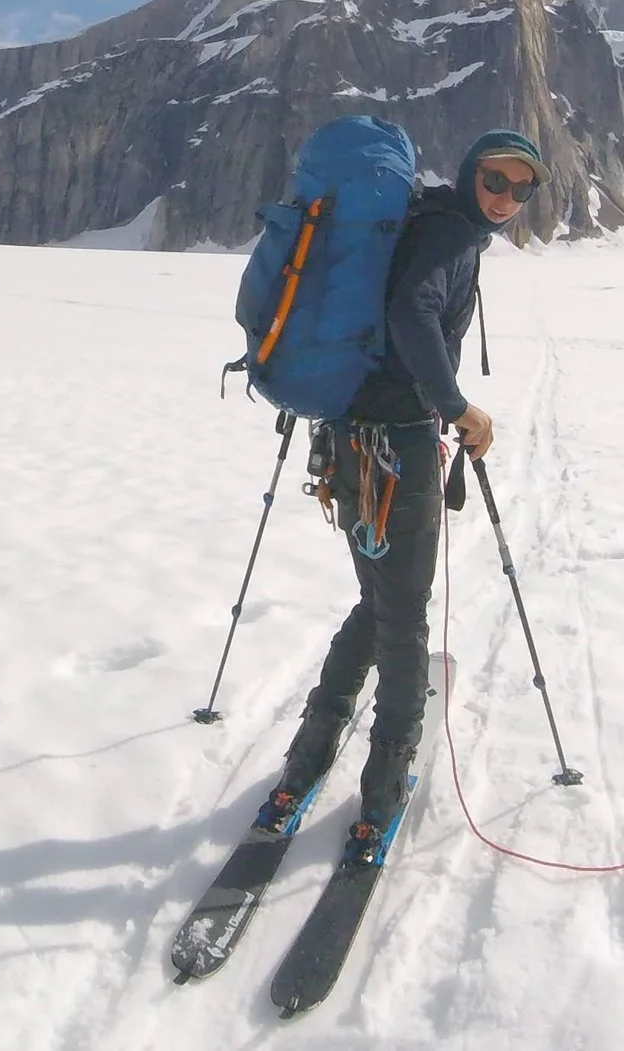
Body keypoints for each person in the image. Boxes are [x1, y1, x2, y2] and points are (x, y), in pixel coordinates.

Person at [256, 128, 548, 864]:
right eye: (496, 180)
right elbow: (411, 314)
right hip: (398, 449)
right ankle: (385, 781)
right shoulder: (450, 237)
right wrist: (456, 406)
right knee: (405, 613)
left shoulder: (423, 219)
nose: (506, 198)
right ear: (469, 171)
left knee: (378, 598)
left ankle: (307, 755)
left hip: (348, 440)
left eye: (522, 188)